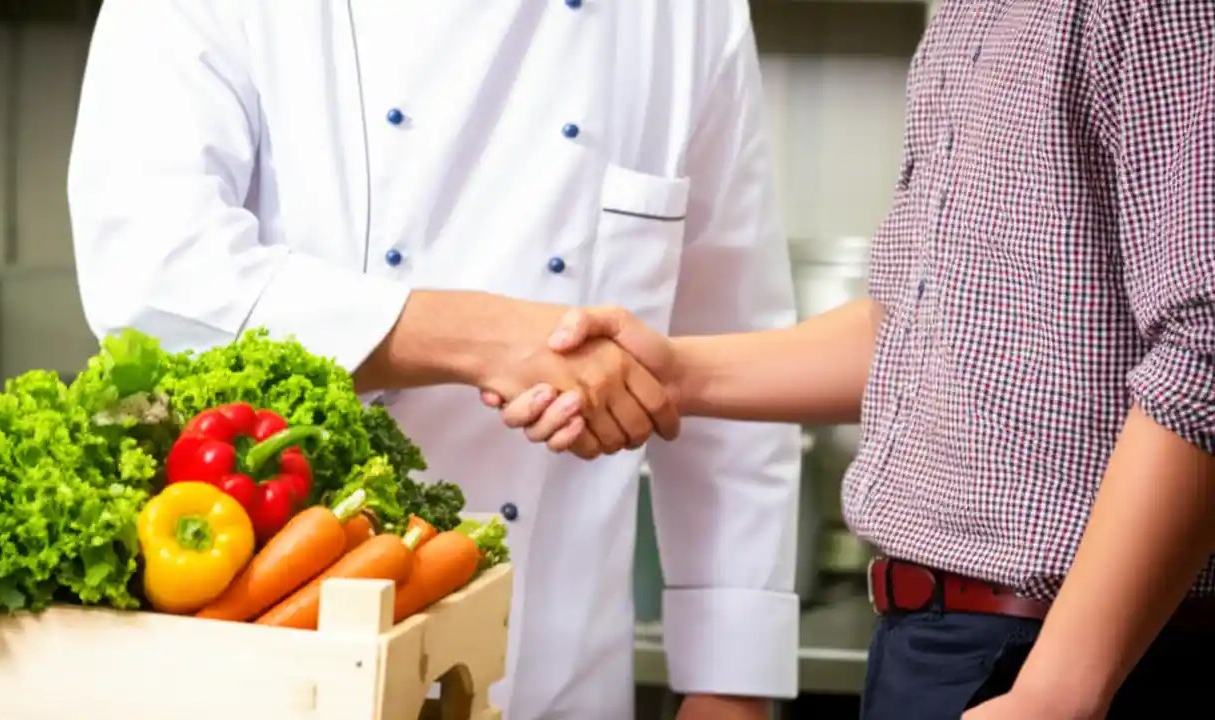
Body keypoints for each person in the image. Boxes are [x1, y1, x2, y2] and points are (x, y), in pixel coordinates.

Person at [66, 1, 802, 718]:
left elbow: (730, 355)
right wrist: (482, 337)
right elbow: (156, 278)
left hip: (557, 665)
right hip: (278, 663)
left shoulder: (688, 13)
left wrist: (731, 686)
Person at [496, 3, 1215, 718]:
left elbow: (1205, 347)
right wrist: (674, 373)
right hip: (945, 641)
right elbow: (923, 333)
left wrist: (1058, 691)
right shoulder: (970, 15)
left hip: (1073, 652)